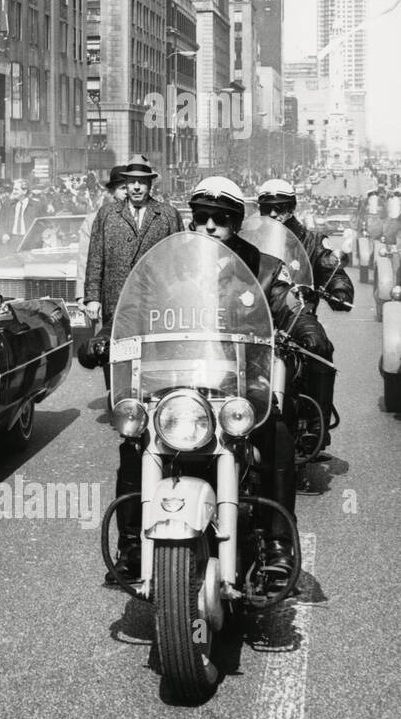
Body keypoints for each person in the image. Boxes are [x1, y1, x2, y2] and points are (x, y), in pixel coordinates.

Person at [108, 177, 297, 586]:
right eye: (202, 217)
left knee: (276, 431)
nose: (210, 226)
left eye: (222, 219)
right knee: (134, 436)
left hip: (239, 383)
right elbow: (135, 309)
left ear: (236, 222)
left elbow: (287, 304)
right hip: (178, 379)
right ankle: (132, 543)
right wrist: (109, 339)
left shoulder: (263, 267)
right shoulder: (167, 264)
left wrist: (305, 327)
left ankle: (278, 544)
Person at [256, 177, 352, 452]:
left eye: (281, 207)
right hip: (253, 313)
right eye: (267, 208)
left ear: (293, 207)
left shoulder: (310, 239)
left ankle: (315, 424)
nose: (274, 214)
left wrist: (339, 288)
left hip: (297, 313)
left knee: (320, 346)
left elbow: (330, 267)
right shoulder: (247, 236)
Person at [81, 156, 183, 328]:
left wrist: (178, 298)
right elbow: (95, 260)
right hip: (116, 302)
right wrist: (92, 298)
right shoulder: (106, 215)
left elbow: (179, 261)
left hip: (158, 305)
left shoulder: (168, 215)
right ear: (126, 184)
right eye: (131, 182)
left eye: (142, 182)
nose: (136, 187)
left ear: (150, 184)